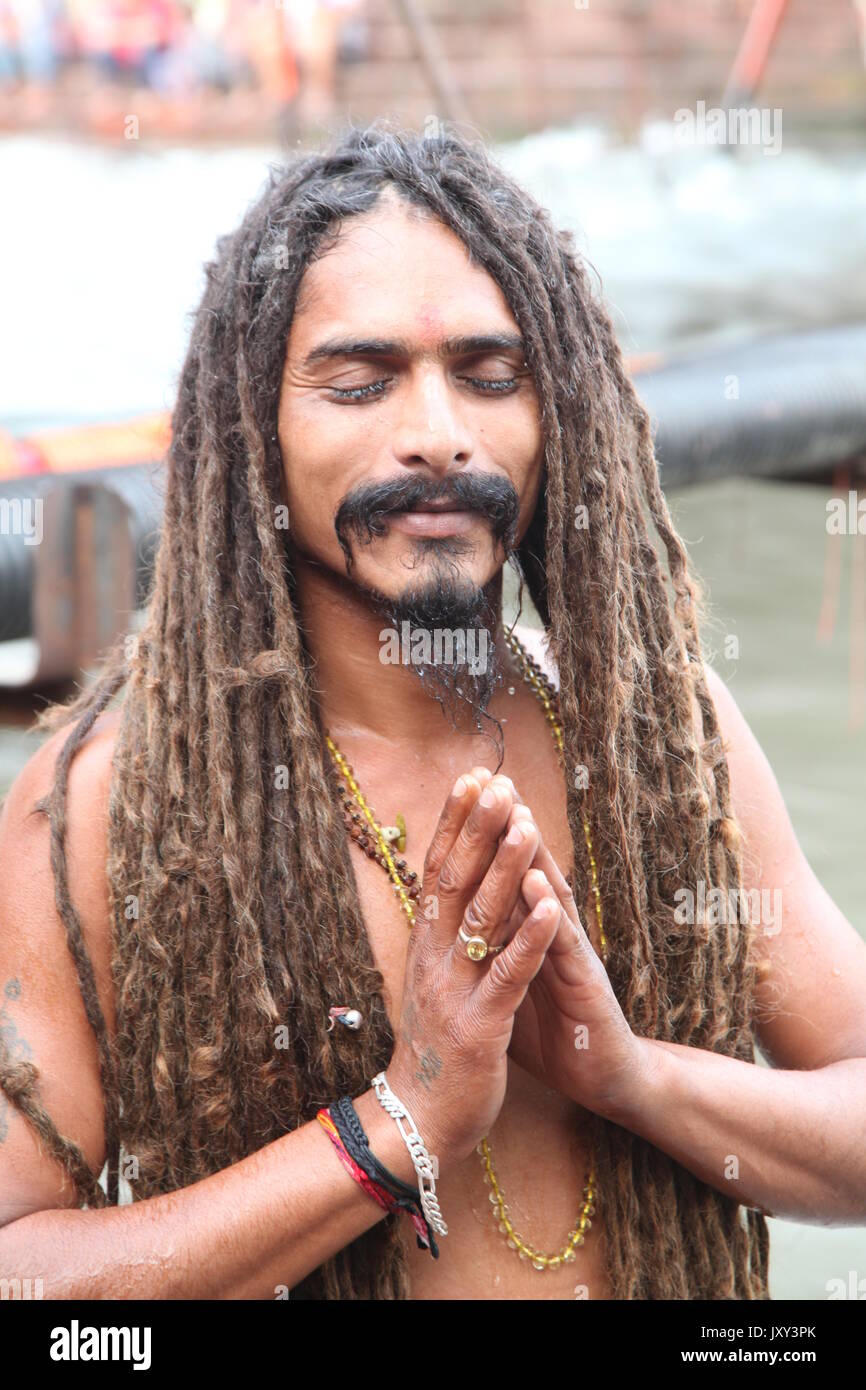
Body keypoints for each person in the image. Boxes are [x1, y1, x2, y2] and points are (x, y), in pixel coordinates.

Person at [0, 122, 864, 1301]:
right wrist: (398, 1124)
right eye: (357, 383)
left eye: (490, 375)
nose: (438, 433)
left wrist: (631, 1078)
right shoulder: (108, 803)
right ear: (253, 430)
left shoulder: (663, 740)